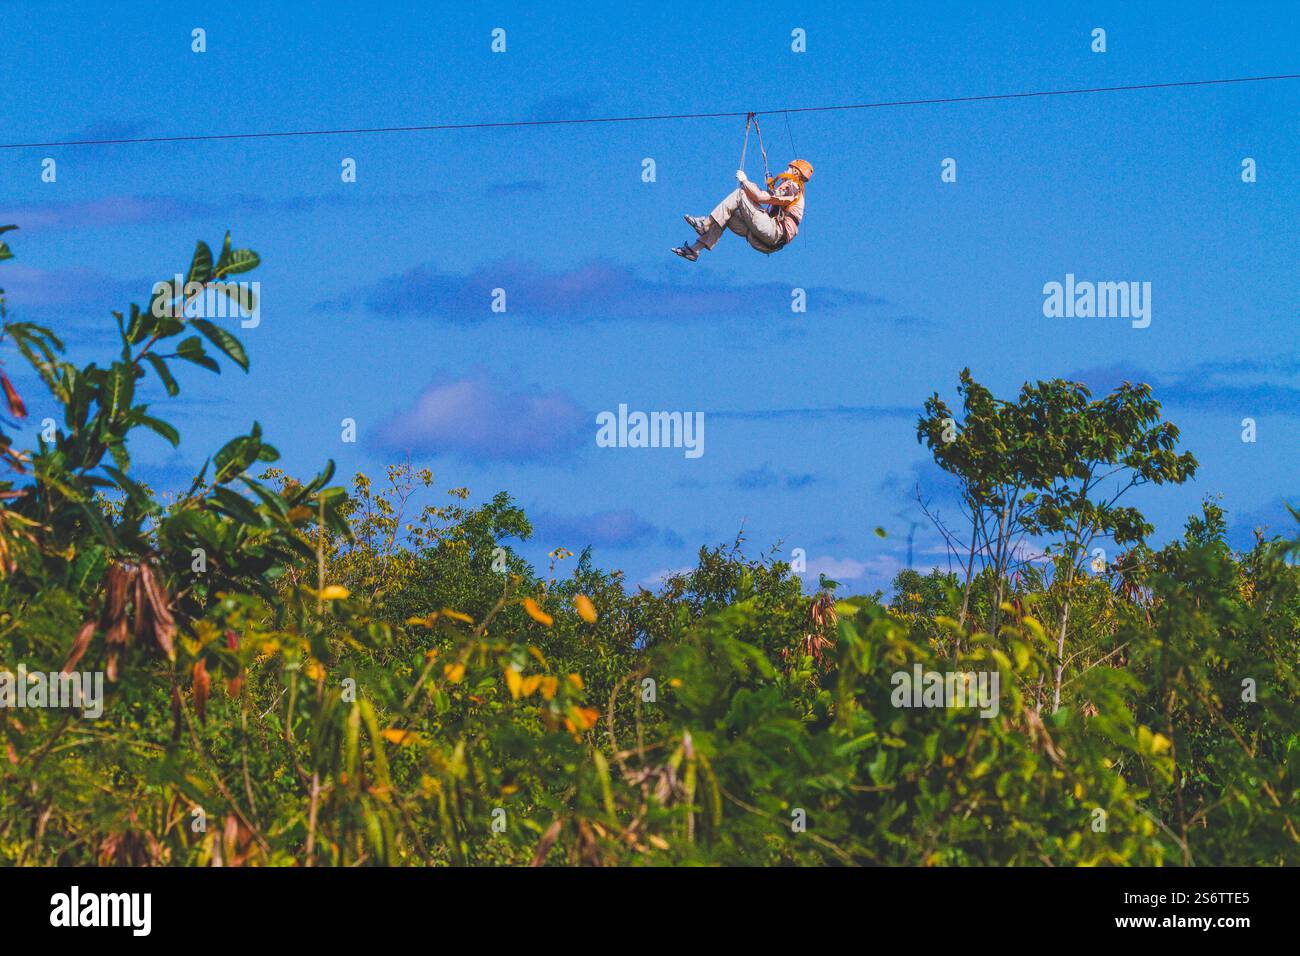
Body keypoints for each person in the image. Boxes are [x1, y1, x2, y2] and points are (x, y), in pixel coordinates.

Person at [673, 159, 813, 261]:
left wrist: (745, 181)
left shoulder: (793, 186)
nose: (785, 170)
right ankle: (694, 250)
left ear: (796, 171)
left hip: (773, 232)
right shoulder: (794, 190)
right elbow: (770, 200)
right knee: (727, 214)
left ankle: (704, 224)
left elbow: (760, 197)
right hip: (767, 241)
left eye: (788, 168)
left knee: (740, 193)